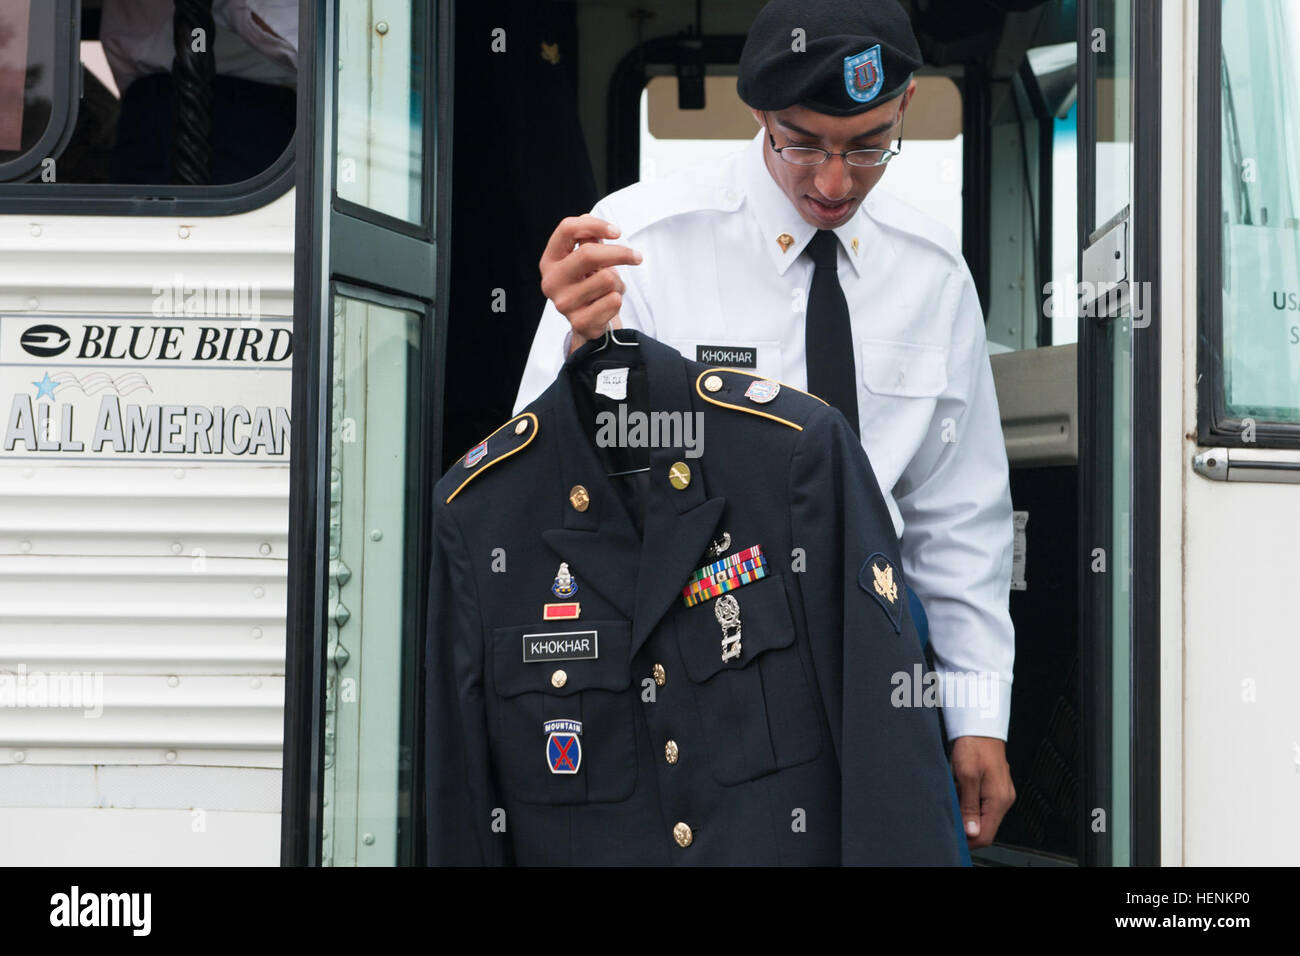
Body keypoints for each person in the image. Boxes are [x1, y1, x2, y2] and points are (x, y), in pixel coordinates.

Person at [514, 0, 1017, 852]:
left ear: (905, 108)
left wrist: (976, 713)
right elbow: (543, 480)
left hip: (878, 645)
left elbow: (958, 518)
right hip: (700, 641)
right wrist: (581, 354)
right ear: (758, 112)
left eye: (869, 146)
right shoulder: (642, 244)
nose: (834, 183)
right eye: (803, 144)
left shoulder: (934, 274)